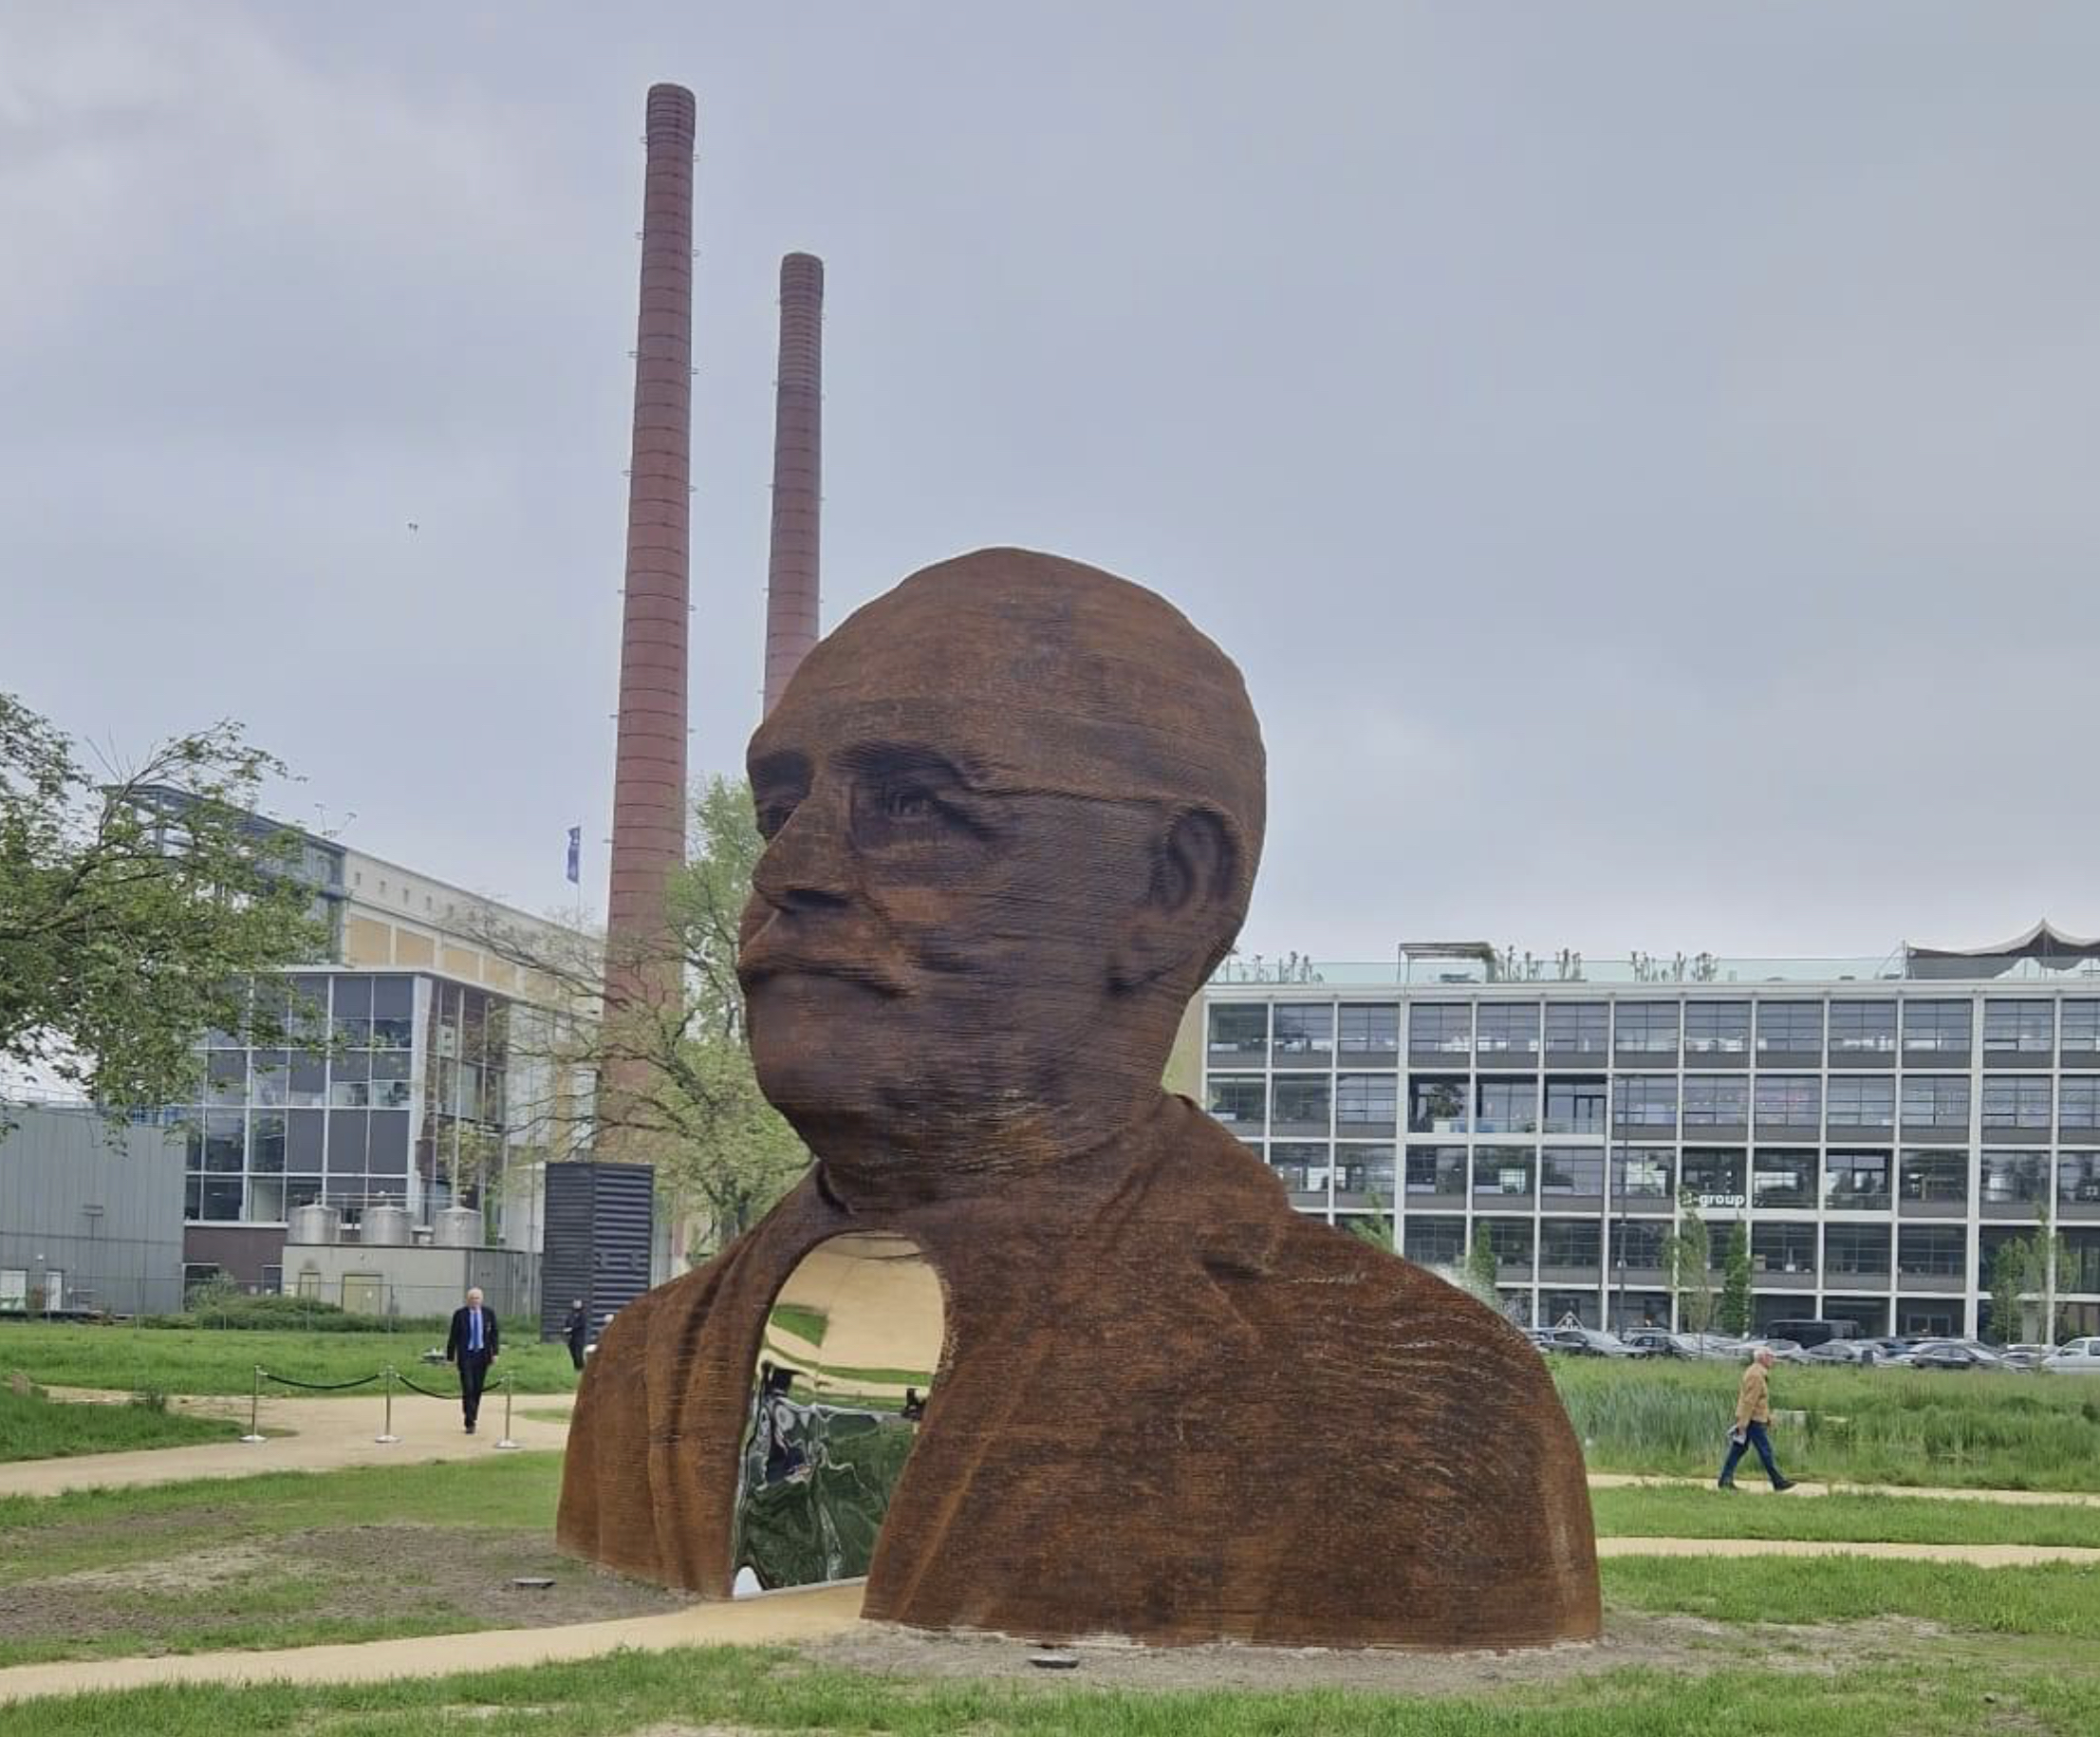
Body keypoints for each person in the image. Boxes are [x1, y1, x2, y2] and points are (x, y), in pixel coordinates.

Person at [558, 549, 1600, 1650]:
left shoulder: (1409, 1398)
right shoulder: (643, 1366)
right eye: (781, 810)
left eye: (911, 803)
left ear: (1171, 889)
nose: (788, 870)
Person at [1719, 1347, 1797, 1490]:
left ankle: (1725, 1480)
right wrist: (1743, 1423)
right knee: (1765, 1450)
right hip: (1752, 1420)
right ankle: (1778, 1481)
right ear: (1762, 1358)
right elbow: (1749, 1401)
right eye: (1771, 1357)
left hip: (1753, 1418)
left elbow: (1759, 1400)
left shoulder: (1758, 1373)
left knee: (1738, 1449)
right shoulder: (1755, 1375)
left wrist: (1768, 1417)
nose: (1773, 1360)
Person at [444, 1285, 500, 1435]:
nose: (474, 1301)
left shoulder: (489, 1313)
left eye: (477, 1298)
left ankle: (472, 1414)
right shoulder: (460, 1314)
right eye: (472, 1298)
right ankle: (470, 1422)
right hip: (466, 1355)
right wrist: (450, 1357)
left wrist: (495, 1353)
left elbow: (494, 1334)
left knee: (477, 1388)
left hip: (482, 1355)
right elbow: (453, 1336)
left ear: (481, 1299)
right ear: (467, 1300)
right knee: (468, 1387)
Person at [564, 1298, 588, 1372]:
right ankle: (576, 1368)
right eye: (575, 1303)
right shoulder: (570, 1314)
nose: (576, 1304)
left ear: (581, 1304)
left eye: (578, 1303)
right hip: (571, 1337)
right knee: (573, 1353)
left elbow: (581, 1324)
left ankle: (582, 1368)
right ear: (573, 1304)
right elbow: (567, 1322)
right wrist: (566, 1330)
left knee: (579, 1354)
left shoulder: (583, 1314)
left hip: (579, 1337)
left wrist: (571, 1328)